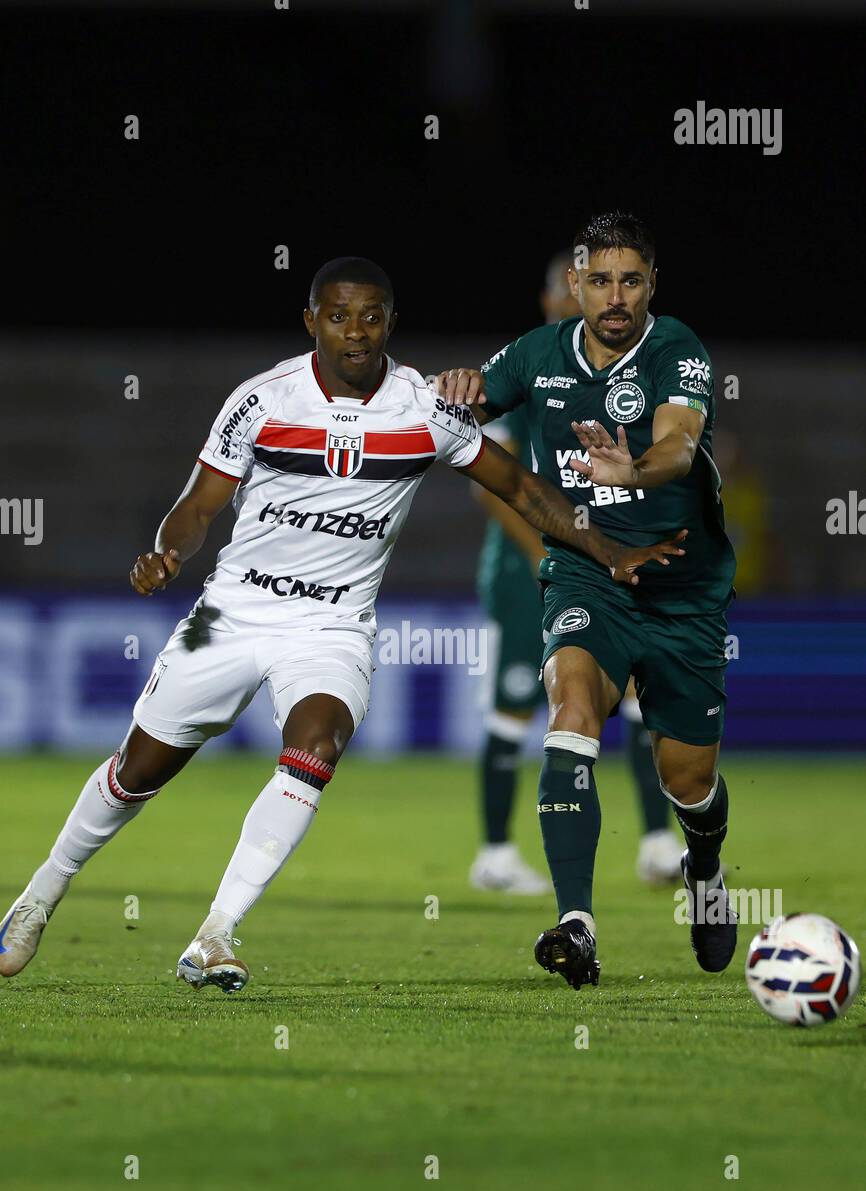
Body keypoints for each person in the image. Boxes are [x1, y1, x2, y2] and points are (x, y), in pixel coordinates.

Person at [0, 255, 683, 992]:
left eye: (370, 317)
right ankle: (41, 893)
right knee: (137, 772)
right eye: (337, 316)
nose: (354, 332)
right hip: (233, 613)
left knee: (316, 745)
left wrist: (609, 550)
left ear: (390, 322)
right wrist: (167, 554)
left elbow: (519, 486)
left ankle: (215, 935)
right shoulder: (262, 401)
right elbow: (199, 506)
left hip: (332, 628)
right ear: (311, 322)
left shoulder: (424, 410)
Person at [437, 213, 737, 989]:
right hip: (584, 576)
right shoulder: (538, 356)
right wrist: (461, 388)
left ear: (651, 286)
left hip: (681, 591)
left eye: (630, 280)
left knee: (688, 782)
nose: (614, 296)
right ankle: (578, 923)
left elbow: (676, 442)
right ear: (576, 283)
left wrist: (632, 472)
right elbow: (463, 409)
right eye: (599, 280)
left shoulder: (676, 348)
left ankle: (704, 863)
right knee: (571, 712)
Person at [469, 251, 683, 895]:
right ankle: (497, 854)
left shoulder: (624, 374)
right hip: (523, 574)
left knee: (640, 695)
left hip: (605, 563)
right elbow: (492, 481)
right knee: (518, 706)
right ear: (556, 297)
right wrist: (541, 554)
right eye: (584, 288)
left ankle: (655, 842)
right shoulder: (529, 368)